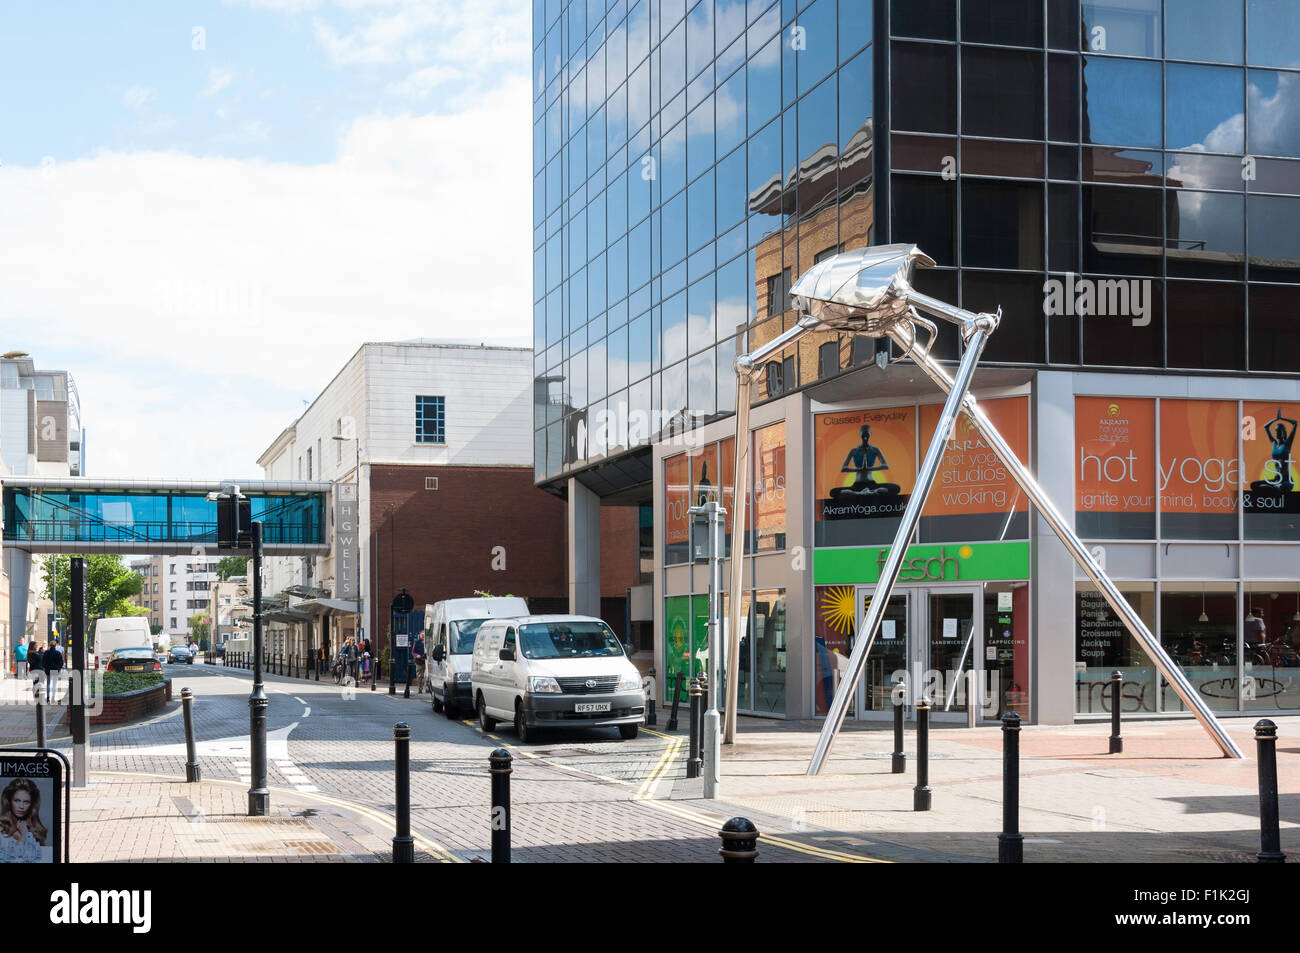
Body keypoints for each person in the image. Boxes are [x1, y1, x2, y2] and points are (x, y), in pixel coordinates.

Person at [829, 424, 902, 501]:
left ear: (870, 434)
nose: (865, 435)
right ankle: (868, 493)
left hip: (871, 484)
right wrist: (859, 469)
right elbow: (844, 468)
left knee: (896, 488)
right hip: (857, 484)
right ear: (860, 434)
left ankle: (861, 493)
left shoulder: (875, 450)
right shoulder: (853, 451)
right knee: (833, 492)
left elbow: (885, 465)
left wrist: (869, 468)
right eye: (863, 433)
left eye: (867, 433)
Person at [0, 778, 48, 863]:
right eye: (17, 801)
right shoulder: (1, 828)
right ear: (9, 801)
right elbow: (12, 859)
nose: (21, 806)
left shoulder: (35, 829)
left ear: (32, 804)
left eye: (26, 802)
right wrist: (23, 836)